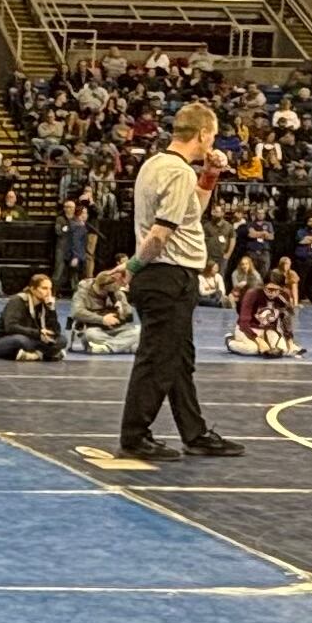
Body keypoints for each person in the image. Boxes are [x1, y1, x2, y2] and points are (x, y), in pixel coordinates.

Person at [117, 101, 239, 460]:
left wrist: (210, 176)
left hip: (167, 275)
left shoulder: (155, 165)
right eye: (212, 136)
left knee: (178, 359)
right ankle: (135, 435)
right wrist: (133, 267)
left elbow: (190, 213)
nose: (213, 143)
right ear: (202, 134)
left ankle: (194, 432)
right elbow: (160, 234)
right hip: (167, 275)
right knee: (158, 359)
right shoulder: (178, 172)